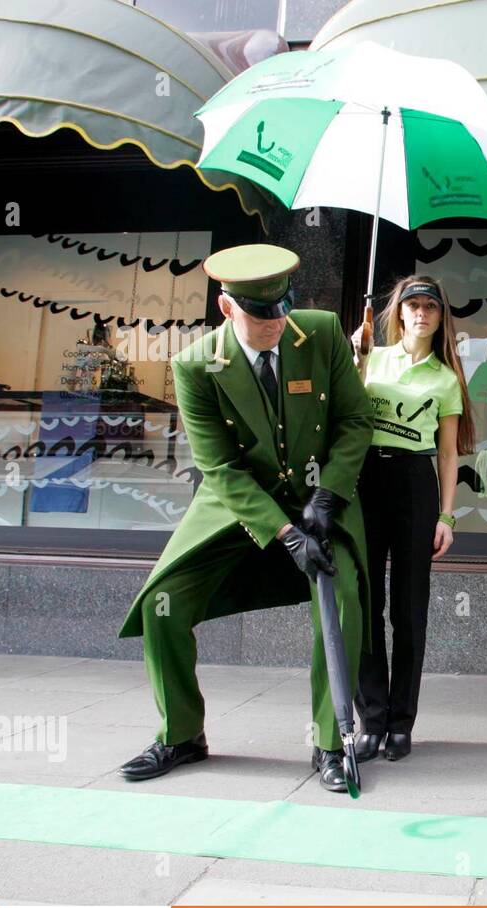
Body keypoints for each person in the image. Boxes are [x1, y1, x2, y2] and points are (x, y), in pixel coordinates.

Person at [118, 244, 374, 792]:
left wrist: (327, 498)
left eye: (284, 306)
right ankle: (182, 734)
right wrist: (284, 533)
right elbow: (219, 466)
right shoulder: (195, 365)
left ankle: (330, 742)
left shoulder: (322, 331)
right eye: (262, 314)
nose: (277, 321)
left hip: (318, 497)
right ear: (226, 307)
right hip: (239, 505)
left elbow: (355, 421)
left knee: (345, 600)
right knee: (162, 607)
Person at [349, 275, 473, 762]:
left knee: (408, 609)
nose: (421, 313)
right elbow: (343, 410)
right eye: (412, 305)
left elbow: (447, 454)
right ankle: (371, 720)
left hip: (415, 485)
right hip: (366, 480)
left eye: (430, 307)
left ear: (441, 317)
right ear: (398, 311)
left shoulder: (445, 377)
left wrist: (447, 515)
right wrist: (354, 356)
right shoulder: (372, 358)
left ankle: (402, 723)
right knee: (363, 604)